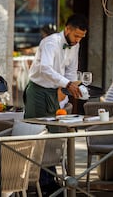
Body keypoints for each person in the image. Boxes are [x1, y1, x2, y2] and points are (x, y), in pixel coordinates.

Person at [23, 14, 87, 195]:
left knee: (54, 136)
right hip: (38, 90)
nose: (78, 40)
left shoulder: (76, 44)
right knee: (39, 135)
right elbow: (45, 69)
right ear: (67, 29)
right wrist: (66, 84)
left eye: (81, 37)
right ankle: (40, 181)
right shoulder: (50, 42)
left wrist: (70, 88)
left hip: (56, 90)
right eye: (76, 36)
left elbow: (71, 70)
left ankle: (49, 178)